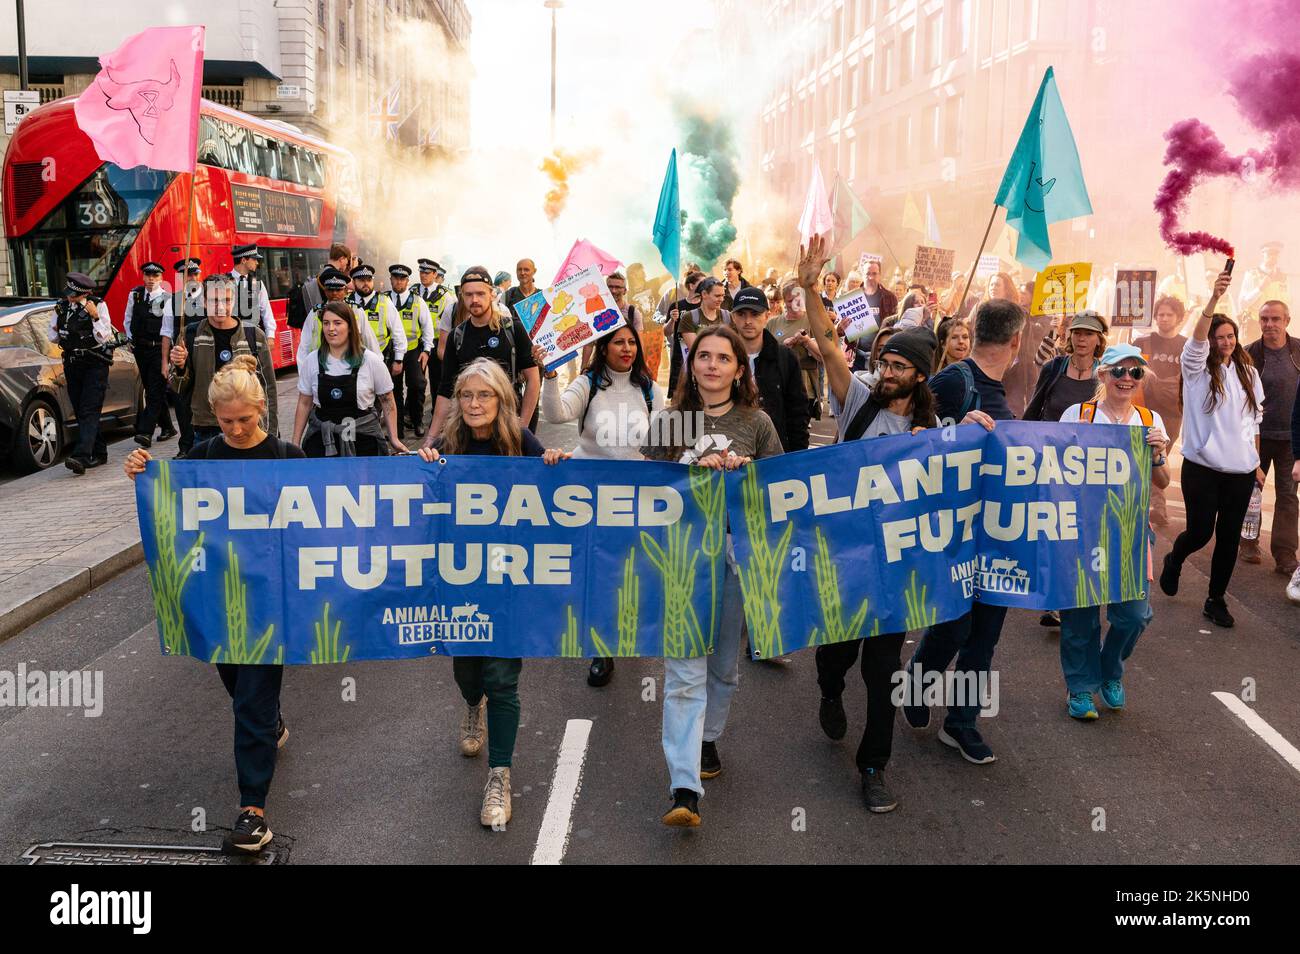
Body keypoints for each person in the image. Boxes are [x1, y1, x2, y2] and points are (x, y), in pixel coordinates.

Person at [124, 355, 302, 853]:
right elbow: (165, 495)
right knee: (236, 685)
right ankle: (271, 726)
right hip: (220, 604)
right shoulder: (201, 457)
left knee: (250, 698)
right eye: (227, 421)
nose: (237, 429)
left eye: (245, 419)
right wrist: (141, 469)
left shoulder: (288, 456)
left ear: (262, 408)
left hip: (272, 606)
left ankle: (252, 812)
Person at [800, 234, 935, 812]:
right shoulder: (857, 401)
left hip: (897, 574)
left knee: (884, 675)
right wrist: (810, 287)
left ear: (920, 377)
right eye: (884, 362)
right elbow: (830, 344)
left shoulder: (937, 431)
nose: (886, 371)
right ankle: (829, 690)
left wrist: (973, 428)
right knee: (837, 657)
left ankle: (874, 766)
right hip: (845, 560)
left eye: (900, 366)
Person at [414, 358, 567, 829]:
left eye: (485, 395)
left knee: (503, 677)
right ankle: (470, 704)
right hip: (462, 581)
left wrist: (554, 463)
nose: (475, 403)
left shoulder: (519, 439)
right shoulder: (447, 441)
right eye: (467, 395)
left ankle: (499, 775)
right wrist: (421, 467)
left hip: (510, 580)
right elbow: (420, 498)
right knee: (468, 672)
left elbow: (556, 485)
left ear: (501, 398)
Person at [645, 325, 783, 828]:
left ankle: (706, 740)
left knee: (723, 665)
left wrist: (749, 472)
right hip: (682, 553)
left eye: (723, 358)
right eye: (703, 356)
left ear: (737, 369)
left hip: (733, 554)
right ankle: (685, 788)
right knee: (683, 672)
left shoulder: (759, 422)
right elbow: (639, 486)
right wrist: (690, 463)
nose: (711, 365)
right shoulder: (672, 422)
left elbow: (783, 489)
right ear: (691, 364)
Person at [903, 297, 1023, 764]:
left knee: (985, 633)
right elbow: (910, 434)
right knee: (955, 625)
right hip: (951, 534)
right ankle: (917, 682)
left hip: (998, 534)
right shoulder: (956, 380)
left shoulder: (999, 385)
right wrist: (952, 428)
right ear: (1016, 340)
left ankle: (961, 723)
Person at [539, 325, 664, 688]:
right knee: (599, 572)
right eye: (617, 342)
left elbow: (668, 437)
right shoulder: (588, 384)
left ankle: (632, 631)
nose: (626, 348)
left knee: (631, 569)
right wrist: (549, 377)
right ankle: (601, 650)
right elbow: (557, 413)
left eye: (631, 342)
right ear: (603, 347)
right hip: (591, 496)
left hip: (636, 497)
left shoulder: (649, 389)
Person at [1054, 344, 1169, 719]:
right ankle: (1081, 689)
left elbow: (1163, 481)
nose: (1126, 379)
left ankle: (1109, 671)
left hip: (1131, 531)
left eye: (1135, 373)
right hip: (1083, 528)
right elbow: (1054, 466)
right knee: (1081, 615)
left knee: (1134, 615)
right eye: (1119, 370)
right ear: (1102, 374)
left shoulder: (1149, 420)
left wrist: (1158, 454)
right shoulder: (1080, 414)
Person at [1159, 270, 1264, 628]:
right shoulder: (1196, 371)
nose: (1226, 342)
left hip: (1241, 470)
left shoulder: (1248, 374)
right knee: (1201, 531)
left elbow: (1254, 420)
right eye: (1219, 337)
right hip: (1202, 467)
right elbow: (1197, 339)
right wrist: (1214, 299)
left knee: (1229, 537)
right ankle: (1174, 559)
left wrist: (1256, 460)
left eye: (1231, 336)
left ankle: (1215, 599)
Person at [426, 265, 539, 441]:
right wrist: (431, 437)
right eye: (468, 295)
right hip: (469, 426)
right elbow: (446, 389)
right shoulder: (456, 336)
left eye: (480, 294)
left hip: (508, 423)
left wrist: (522, 427)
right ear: (461, 297)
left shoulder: (513, 329)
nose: (475, 300)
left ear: (492, 294)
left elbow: (533, 379)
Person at [169, 274, 279, 447]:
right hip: (206, 431)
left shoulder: (254, 336)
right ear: (204, 302)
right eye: (214, 300)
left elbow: (268, 388)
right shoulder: (190, 335)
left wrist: (271, 434)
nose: (220, 307)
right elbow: (178, 388)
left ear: (234, 301)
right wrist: (180, 367)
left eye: (226, 300)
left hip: (247, 428)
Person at [293, 300, 403, 457]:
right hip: (323, 441)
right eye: (326, 323)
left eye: (337, 323)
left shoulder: (371, 361)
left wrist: (394, 439)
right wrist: (295, 443)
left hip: (364, 441)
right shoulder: (312, 361)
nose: (331, 329)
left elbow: (387, 401)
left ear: (350, 327)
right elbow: (304, 403)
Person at [1242, 301, 1299, 575]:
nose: (1269, 324)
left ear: (1287, 320)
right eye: (1264, 319)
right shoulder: (1249, 354)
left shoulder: (1298, 350)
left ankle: (1285, 554)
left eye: (1275, 319)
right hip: (1257, 436)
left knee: (1288, 495)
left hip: (1292, 438)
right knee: (1252, 492)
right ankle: (1249, 541)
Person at [729, 285, 810, 452]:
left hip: (775, 453)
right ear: (733, 317)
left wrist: (797, 457)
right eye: (741, 314)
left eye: (755, 314)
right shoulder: (722, 358)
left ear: (767, 316)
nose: (748, 321)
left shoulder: (785, 358)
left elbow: (798, 413)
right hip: (729, 453)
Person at [50, 273, 115, 474]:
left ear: (85, 293)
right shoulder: (61, 307)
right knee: (80, 409)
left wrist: (94, 316)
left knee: (89, 408)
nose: (70, 298)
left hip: (94, 362)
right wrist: (58, 329)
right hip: (72, 362)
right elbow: (52, 337)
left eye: (75, 295)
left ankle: (81, 456)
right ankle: (100, 451)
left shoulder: (99, 305)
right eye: (69, 294)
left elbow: (103, 336)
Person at [1134, 296, 1189, 528]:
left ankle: (1155, 505)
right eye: (1160, 314)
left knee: (1159, 454)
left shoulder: (1187, 345)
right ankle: (1156, 507)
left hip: (1172, 413)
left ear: (1179, 317)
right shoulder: (1143, 341)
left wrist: (1166, 383)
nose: (1164, 318)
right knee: (1143, 455)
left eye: (1169, 314)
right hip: (1143, 408)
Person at [125, 262, 176, 449]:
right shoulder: (135, 295)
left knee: (155, 390)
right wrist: (130, 339)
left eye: (155, 276)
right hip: (141, 350)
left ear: (161, 278)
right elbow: (128, 319)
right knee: (151, 388)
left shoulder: (167, 298)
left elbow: (169, 329)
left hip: (159, 349)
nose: (151, 279)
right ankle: (169, 427)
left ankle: (145, 431)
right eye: (148, 275)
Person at [1024, 312, 1107, 423]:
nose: (1081, 338)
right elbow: (1032, 413)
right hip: (1050, 438)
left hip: (1087, 439)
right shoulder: (1053, 368)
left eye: (1089, 334)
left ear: (1099, 340)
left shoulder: (1104, 375)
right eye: (1077, 333)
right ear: (1070, 336)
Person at [295, 267, 381, 369]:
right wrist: (303, 373)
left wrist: (378, 367)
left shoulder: (356, 310)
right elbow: (304, 346)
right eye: (330, 289)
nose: (334, 293)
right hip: (322, 369)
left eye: (338, 289)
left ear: (345, 291)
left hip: (351, 368)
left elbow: (370, 341)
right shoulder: (315, 313)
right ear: (325, 291)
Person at [387, 263, 436, 438]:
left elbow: (428, 328)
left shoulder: (417, 301)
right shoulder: (384, 300)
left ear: (407, 280)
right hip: (391, 352)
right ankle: (397, 429)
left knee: (417, 385)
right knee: (393, 391)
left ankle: (417, 421)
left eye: (402, 278)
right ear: (391, 279)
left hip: (413, 351)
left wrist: (427, 351)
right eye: (395, 278)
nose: (399, 281)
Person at [166, 258, 204, 457]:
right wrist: (165, 363)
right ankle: (186, 446)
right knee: (182, 402)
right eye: (188, 274)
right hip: (182, 358)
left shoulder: (209, 297)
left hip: (204, 356)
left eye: (195, 273)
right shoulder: (173, 300)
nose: (192, 277)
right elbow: (165, 333)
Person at [348, 263, 407, 378]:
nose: (366, 283)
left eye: (369, 280)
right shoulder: (346, 303)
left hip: (380, 355)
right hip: (353, 357)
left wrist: (399, 360)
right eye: (361, 280)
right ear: (354, 282)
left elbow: (398, 331)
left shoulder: (384, 301)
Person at [417, 258, 451, 405]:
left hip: (437, 342)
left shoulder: (445, 295)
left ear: (434, 274)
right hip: (418, 343)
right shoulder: (413, 291)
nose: (423, 275)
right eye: (421, 272)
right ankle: (413, 416)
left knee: (437, 381)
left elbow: (450, 320)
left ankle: (436, 415)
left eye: (427, 272)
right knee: (417, 382)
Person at [228, 244, 277, 343]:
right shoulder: (225, 282)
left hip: (253, 336)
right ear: (243, 260)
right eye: (254, 259)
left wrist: (270, 335)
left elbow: (266, 309)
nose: (257, 262)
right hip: (231, 336)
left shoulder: (258, 283)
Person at [302, 243, 353, 315]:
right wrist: (354, 268)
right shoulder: (334, 274)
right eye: (347, 260)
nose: (347, 263)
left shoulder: (323, 271)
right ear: (342, 259)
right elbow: (357, 286)